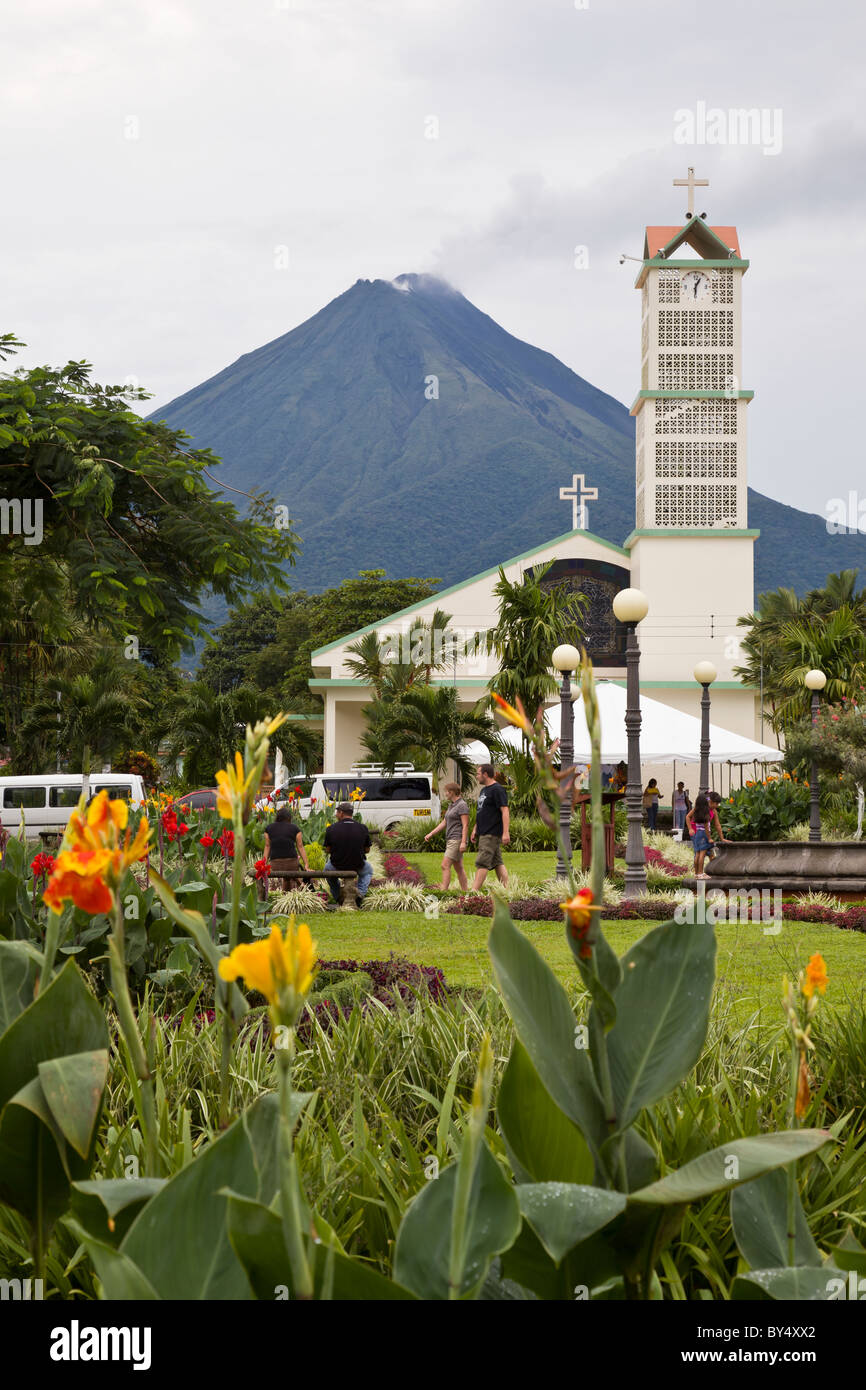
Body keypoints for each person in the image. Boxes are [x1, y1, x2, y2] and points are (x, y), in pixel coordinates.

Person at [323, 802, 373, 906]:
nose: (336, 814)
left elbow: (327, 850)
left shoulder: (331, 828)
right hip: (358, 865)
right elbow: (367, 850)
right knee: (368, 870)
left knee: (327, 870)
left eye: (337, 812)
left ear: (341, 813)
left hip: (336, 865)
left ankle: (338, 897)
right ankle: (360, 895)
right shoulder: (362, 828)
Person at [470, 763, 509, 890]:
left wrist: (506, 832)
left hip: (491, 833)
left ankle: (473, 893)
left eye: (478, 773)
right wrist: (475, 828)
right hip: (483, 831)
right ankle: (508, 890)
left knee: (482, 862)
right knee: (497, 862)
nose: (476, 776)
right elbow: (482, 811)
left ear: (485, 774)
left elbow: (505, 810)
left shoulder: (497, 789)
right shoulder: (484, 790)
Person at [424, 782, 469, 891]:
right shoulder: (452, 805)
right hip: (451, 839)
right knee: (458, 868)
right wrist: (431, 833)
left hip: (457, 839)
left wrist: (463, 842)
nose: (445, 794)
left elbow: (466, 825)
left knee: (445, 865)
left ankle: (443, 890)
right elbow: (444, 823)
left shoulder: (462, 805)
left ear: (452, 792)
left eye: (446, 791)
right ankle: (466, 892)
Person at [263, 806, 309, 891]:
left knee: (287, 877)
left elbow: (267, 846)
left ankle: (287, 894)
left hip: (275, 865)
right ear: (289, 818)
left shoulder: (268, 828)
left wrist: (264, 864)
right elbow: (300, 846)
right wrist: (306, 864)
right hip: (292, 864)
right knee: (291, 874)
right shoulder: (295, 828)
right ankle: (302, 888)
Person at [685, 792, 714, 880]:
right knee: (702, 854)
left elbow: (687, 817)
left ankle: (697, 873)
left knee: (697, 854)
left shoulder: (696, 810)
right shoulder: (706, 813)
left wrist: (690, 828)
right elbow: (706, 828)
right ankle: (701, 873)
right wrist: (709, 838)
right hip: (704, 834)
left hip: (697, 833)